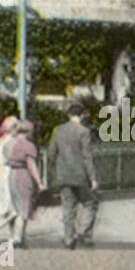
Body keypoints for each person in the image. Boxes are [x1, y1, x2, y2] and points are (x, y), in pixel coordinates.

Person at [48, 102, 100, 249]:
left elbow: (52, 153)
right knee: (91, 203)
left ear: (69, 115)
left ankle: (68, 238)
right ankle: (84, 232)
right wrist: (93, 178)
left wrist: (56, 170)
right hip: (80, 175)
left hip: (63, 175)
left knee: (68, 207)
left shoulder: (57, 130)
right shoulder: (84, 132)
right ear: (82, 115)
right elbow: (87, 157)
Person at [0, 120, 43, 248]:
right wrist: (39, 182)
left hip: (11, 175)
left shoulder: (7, 144)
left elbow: (5, 160)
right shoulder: (28, 145)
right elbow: (31, 165)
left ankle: (15, 236)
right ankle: (18, 238)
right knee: (24, 207)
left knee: (15, 206)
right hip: (24, 175)